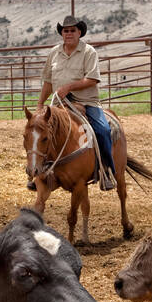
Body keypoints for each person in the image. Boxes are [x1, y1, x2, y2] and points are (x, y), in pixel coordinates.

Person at [34, 15, 115, 190]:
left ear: (79, 32)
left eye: (72, 30)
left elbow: (92, 79)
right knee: (38, 132)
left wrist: (69, 87)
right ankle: (38, 172)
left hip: (86, 102)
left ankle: (106, 171)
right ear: (62, 33)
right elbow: (48, 82)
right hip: (58, 103)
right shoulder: (54, 53)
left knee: (103, 130)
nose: (69, 33)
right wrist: (40, 104)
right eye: (65, 31)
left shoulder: (88, 52)